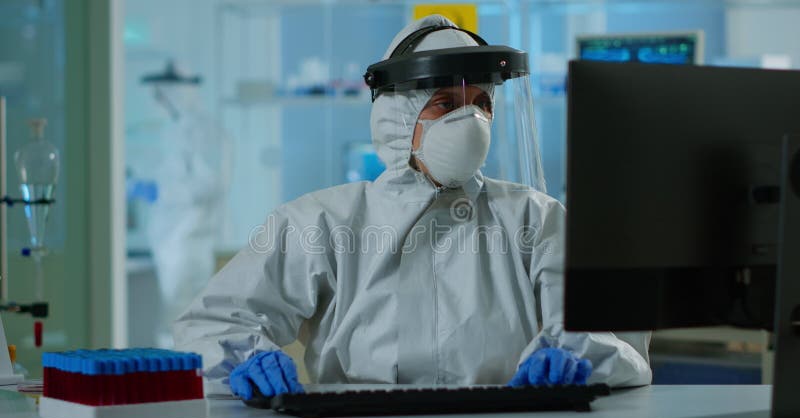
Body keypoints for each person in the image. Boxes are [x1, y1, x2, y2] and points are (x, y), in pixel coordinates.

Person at [174, 15, 652, 398]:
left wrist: (582, 357)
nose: (473, 121)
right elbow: (212, 324)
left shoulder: (536, 219)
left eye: (482, 103)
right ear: (399, 119)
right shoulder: (318, 224)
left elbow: (618, 338)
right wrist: (246, 358)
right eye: (446, 104)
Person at [142, 61, 233, 347]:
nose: (157, 100)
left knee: (181, 317)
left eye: (161, 93)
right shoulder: (177, 129)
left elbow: (209, 185)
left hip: (189, 239)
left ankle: (178, 382)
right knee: (173, 315)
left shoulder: (204, 132)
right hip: (171, 240)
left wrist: (159, 191)